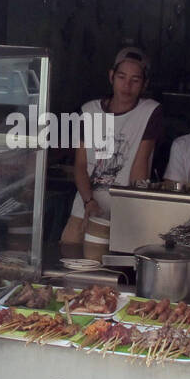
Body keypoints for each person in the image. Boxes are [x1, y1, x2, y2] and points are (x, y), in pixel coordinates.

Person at [60, 46, 162, 246]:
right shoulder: (89, 111)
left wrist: (130, 213)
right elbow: (80, 165)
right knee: (69, 248)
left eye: (135, 80)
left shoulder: (150, 111)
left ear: (145, 84)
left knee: (116, 263)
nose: (127, 85)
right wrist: (89, 202)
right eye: (122, 77)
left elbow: (139, 166)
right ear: (111, 76)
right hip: (87, 203)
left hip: (126, 206)